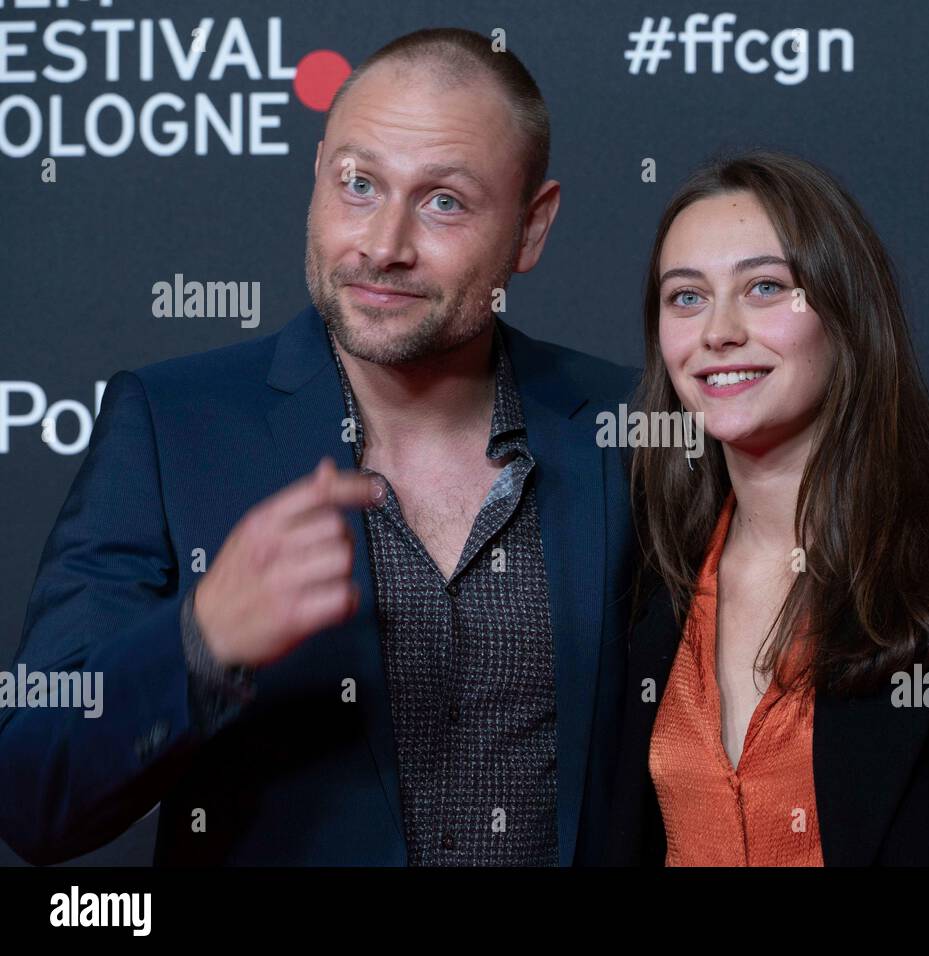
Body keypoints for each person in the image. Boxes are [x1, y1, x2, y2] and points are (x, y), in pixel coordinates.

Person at [0, 28, 637, 867]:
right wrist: (200, 643)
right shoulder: (170, 425)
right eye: (359, 184)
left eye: (444, 200)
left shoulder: (633, 429)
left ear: (531, 227)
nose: (382, 244)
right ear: (318, 180)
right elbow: (33, 796)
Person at [605, 150, 929, 866]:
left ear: (845, 312)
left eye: (765, 287)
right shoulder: (646, 582)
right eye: (687, 297)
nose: (718, 331)